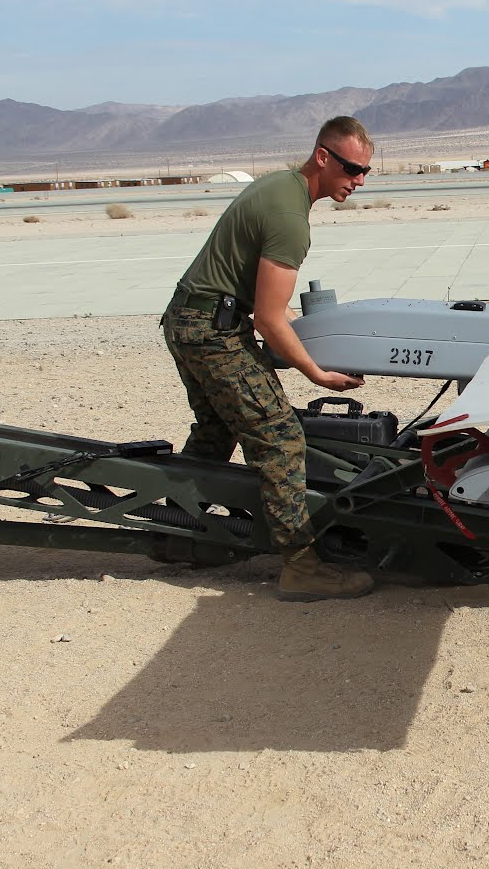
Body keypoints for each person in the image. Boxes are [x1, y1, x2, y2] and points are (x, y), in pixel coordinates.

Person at [161, 116, 376, 602]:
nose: (358, 181)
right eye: (351, 169)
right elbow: (269, 319)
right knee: (279, 441)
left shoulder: (281, 187)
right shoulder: (290, 219)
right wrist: (316, 373)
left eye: (366, 172)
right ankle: (302, 567)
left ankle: (175, 534)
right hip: (214, 335)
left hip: (190, 322)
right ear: (323, 157)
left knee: (216, 432)